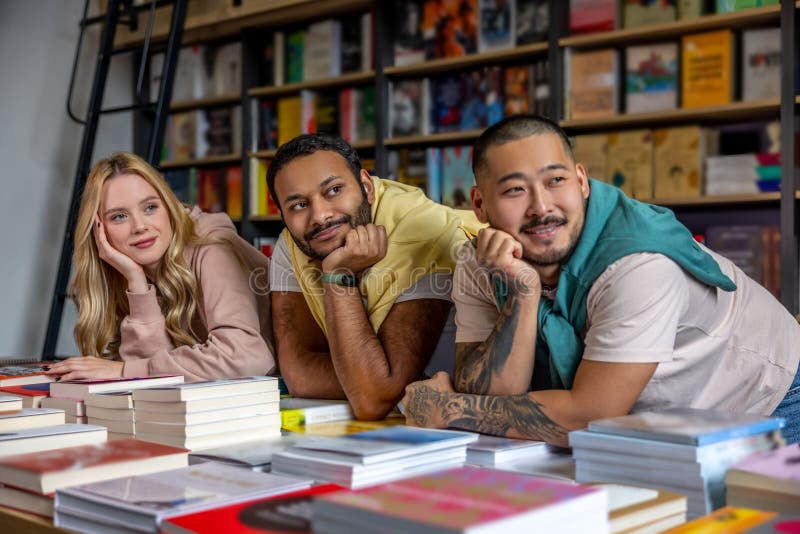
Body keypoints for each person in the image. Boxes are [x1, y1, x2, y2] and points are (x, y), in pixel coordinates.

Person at [402, 115, 800, 446]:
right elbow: (492, 395)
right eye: (515, 190)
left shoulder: (639, 264)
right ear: (479, 204)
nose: (542, 207)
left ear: (581, 181)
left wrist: (449, 410)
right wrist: (522, 293)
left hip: (768, 399)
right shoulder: (481, 262)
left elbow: (589, 415)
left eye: (556, 180)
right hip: (655, 421)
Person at [267, 134, 481, 420]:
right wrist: (363, 381)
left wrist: (338, 276)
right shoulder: (294, 242)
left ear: (366, 187)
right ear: (283, 215)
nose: (319, 216)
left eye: (333, 190)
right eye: (299, 205)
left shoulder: (424, 233)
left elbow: (374, 398)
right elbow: (299, 376)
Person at [46, 152, 275, 382]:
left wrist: (123, 371)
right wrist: (137, 282)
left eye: (150, 208)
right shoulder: (132, 272)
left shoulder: (211, 249)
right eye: (119, 217)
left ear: (168, 205)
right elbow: (157, 375)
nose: (139, 226)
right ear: (98, 229)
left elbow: (248, 356)